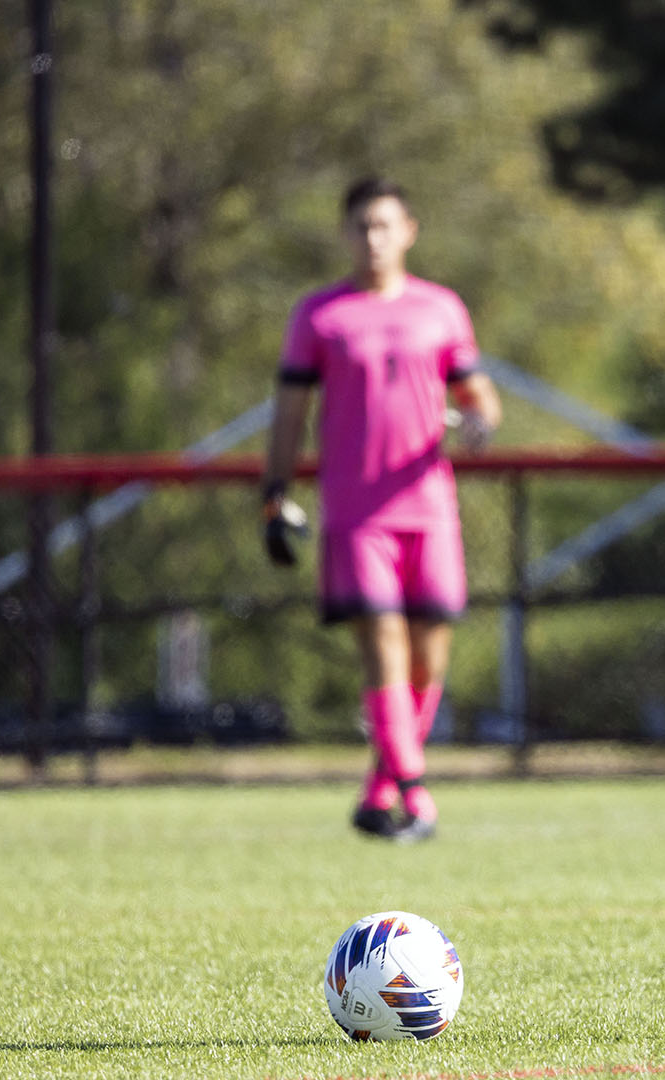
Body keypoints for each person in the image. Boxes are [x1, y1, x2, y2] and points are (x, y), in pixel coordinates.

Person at [261, 177, 502, 843]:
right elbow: (288, 413)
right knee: (384, 645)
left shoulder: (441, 309)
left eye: (384, 226)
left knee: (428, 658)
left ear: (408, 231)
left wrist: (480, 420)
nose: (373, 239)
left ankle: (379, 787)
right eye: (361, 226)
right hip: (355, 512)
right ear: (346, 233)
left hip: (430, 508)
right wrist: (274, 492)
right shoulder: (320, 315)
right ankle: (417, 793)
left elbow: (478, 393)